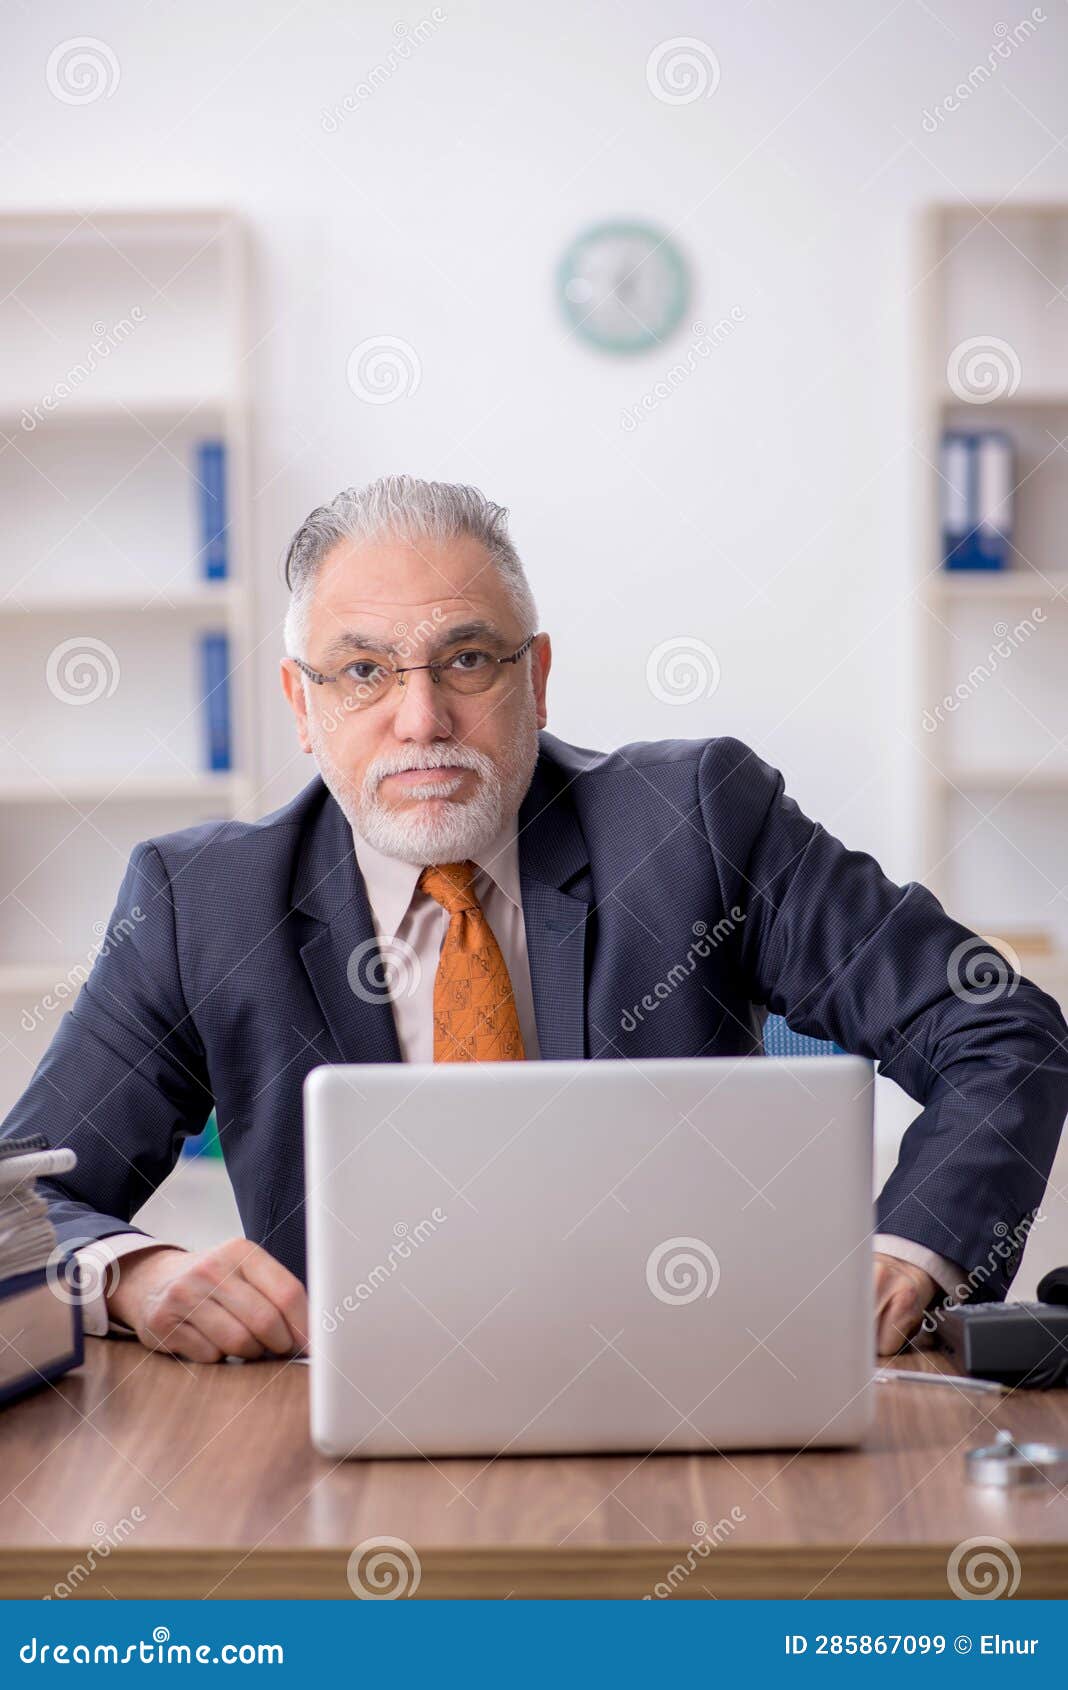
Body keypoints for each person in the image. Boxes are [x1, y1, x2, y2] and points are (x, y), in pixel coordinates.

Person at [4, 476, 1066, 1367]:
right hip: (338, 1428)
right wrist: (136, 1275)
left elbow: (1003, 1030)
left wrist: (916, 1247)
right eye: (364, 670)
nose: (421, 719)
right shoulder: (201, 903)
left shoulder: (693, 823)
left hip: (693, 1402)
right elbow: (25, 1198)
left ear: (537, 677)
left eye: (467, 659)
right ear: (300, 704)